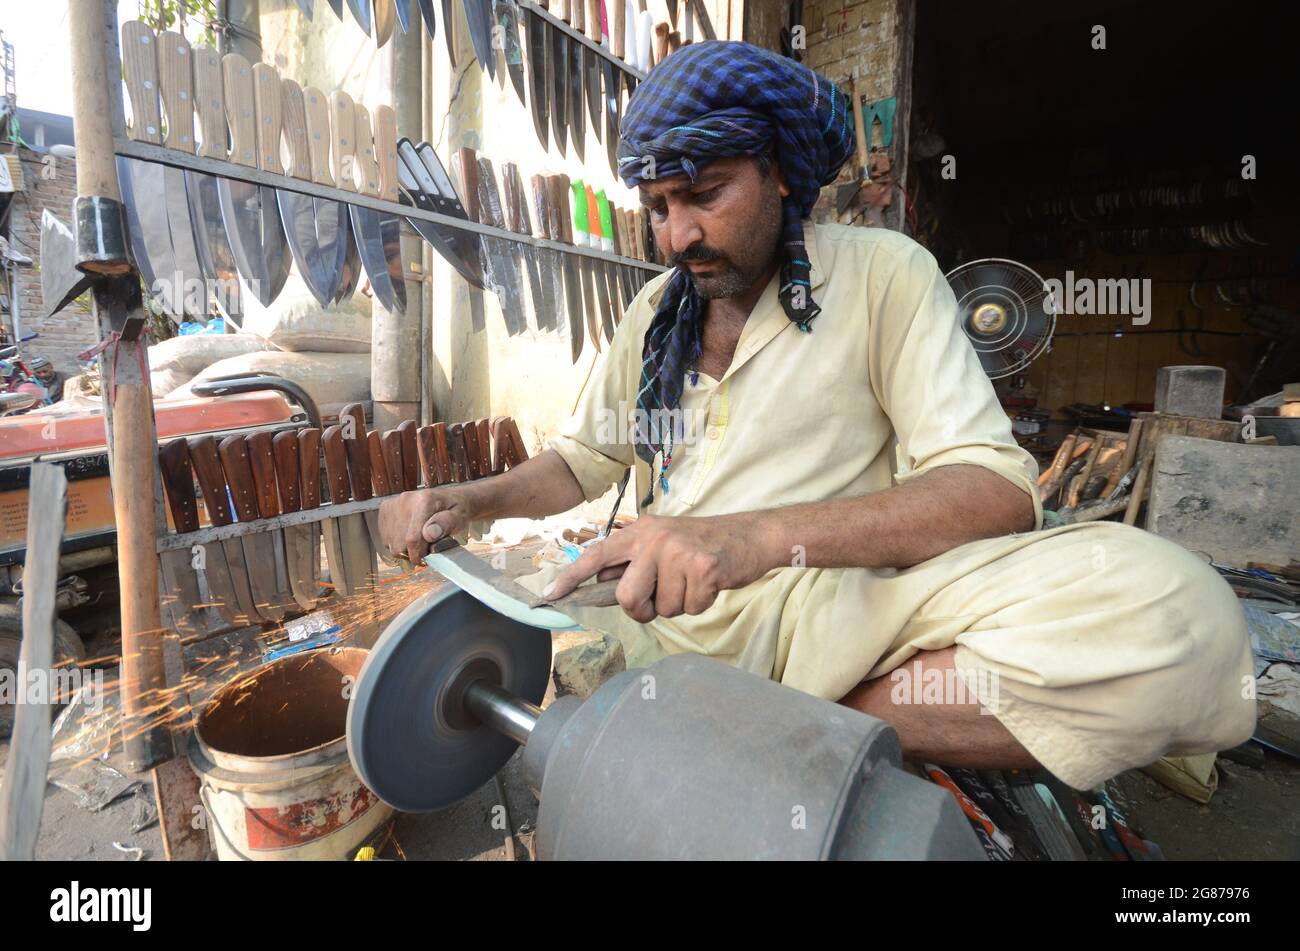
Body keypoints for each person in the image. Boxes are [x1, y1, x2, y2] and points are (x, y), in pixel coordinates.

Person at [380, 42, 1254, 788]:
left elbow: (993, 489)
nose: (678, 235)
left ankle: (797, 718)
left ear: (781, 174)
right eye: (658, 208)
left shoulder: (883, 275)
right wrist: (472, 499)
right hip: (665, 633)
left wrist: (752, 539)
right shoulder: (655, 314)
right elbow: (582, 461)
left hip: (834, 613)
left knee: (1181, 618)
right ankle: (769, 718)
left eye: (705, 193)